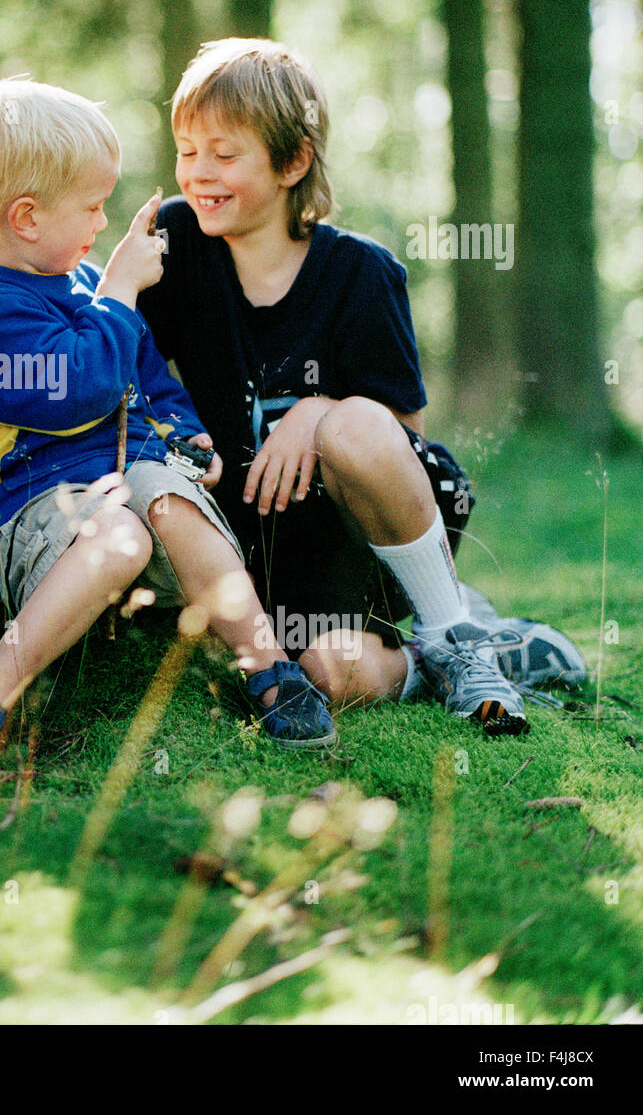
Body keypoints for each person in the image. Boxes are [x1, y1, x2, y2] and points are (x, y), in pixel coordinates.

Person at [138, 37, 584, 733]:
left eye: (224, 155)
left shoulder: (361, 274)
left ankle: (458, 638)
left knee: (350, 422)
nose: (199, 173)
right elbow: (116, 350)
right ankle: (484, 649)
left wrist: (317, 411)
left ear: (293, 160)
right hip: (256, 537)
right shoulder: (177, 244)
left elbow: (400, 442)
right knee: (330, 675)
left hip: (357, 530)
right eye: (186, 150)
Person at [0, 77, 338, 780]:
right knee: (120, 532)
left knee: (164, 501)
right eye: (90, 206)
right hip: (30, 520)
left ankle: (267, 666)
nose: (101, 223)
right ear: (26, 217)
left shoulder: (87, 282)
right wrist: (117, 292)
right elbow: (76, 390)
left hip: (131, 484)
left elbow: (148, 376)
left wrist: (186, 432)